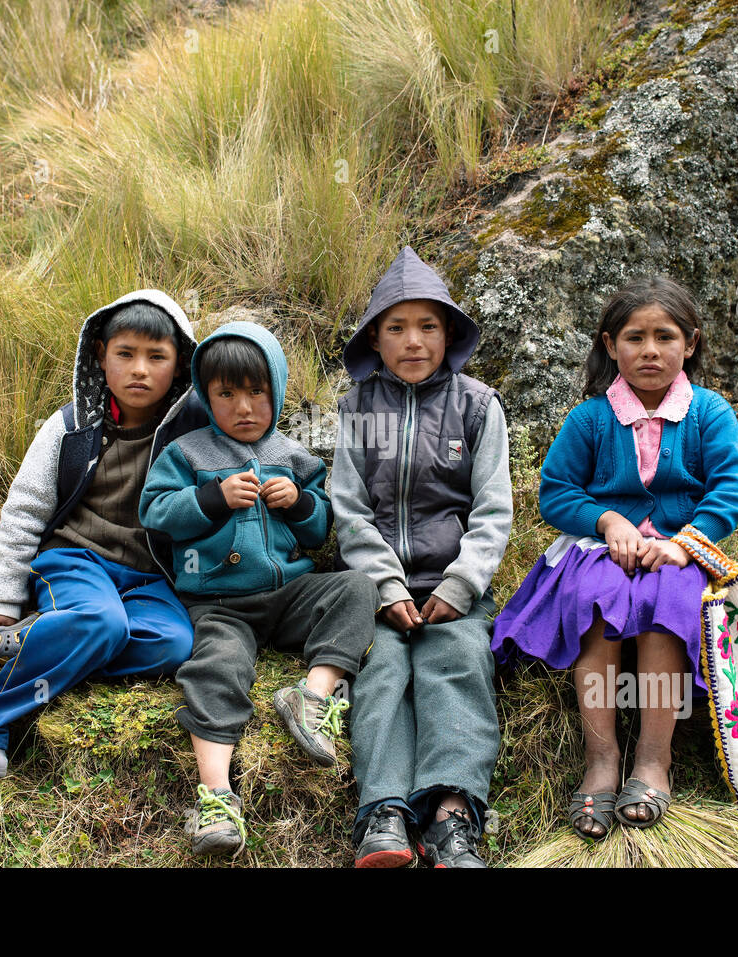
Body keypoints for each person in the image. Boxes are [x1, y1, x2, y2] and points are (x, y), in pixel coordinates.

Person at [491, 276, 738, 840]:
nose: (651, 351)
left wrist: (686, 542)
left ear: (691, 343)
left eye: (666, 337)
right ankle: (602, 757)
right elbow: (558, 490)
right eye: (635, 338)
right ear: (611, 346)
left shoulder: (709, 413)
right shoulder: (590, 419)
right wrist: (609, 521)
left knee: (668, 605)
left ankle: (654, 759)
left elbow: (733, 490)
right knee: (598, 602)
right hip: (600, 551)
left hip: (680, 552)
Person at [140, 321, 378, 858]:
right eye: (226, 394)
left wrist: (297, 502)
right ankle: (216, 796)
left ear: (278, 389)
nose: (243, 406)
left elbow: (320, 530)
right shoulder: (187, 453)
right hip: (218, 603)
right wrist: (213, 497)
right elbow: (155, 512)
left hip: (290, 595)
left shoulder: (294, 455)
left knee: (358, 589)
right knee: (217, 666)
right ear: (206, 394)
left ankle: (310, 696)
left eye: (256, 392)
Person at [0, 291, 206, 782]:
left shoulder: (190, 437)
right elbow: (25, 510)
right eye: (125, 354)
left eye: (157, 357)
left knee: (174, 644)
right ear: (101, 357)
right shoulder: (69, 428)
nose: (140, 370)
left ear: (180, 365)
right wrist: (4, 600)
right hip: (76, 561)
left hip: (147, 579)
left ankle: (42, 638)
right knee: (102, 623)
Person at [333, 246, 513, 868]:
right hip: (376, 590)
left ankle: (451, 817)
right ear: (375, 340)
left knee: (458, 663)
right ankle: (384, 812)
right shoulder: (356, 409)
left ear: (450, 333)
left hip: (452, 586)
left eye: (428, 326)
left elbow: (492, 512)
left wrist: (461, 586)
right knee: (381, 674)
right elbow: (350, 511)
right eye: (396, 327)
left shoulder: (478, 406)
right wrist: (385, 587)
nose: (414, 341)